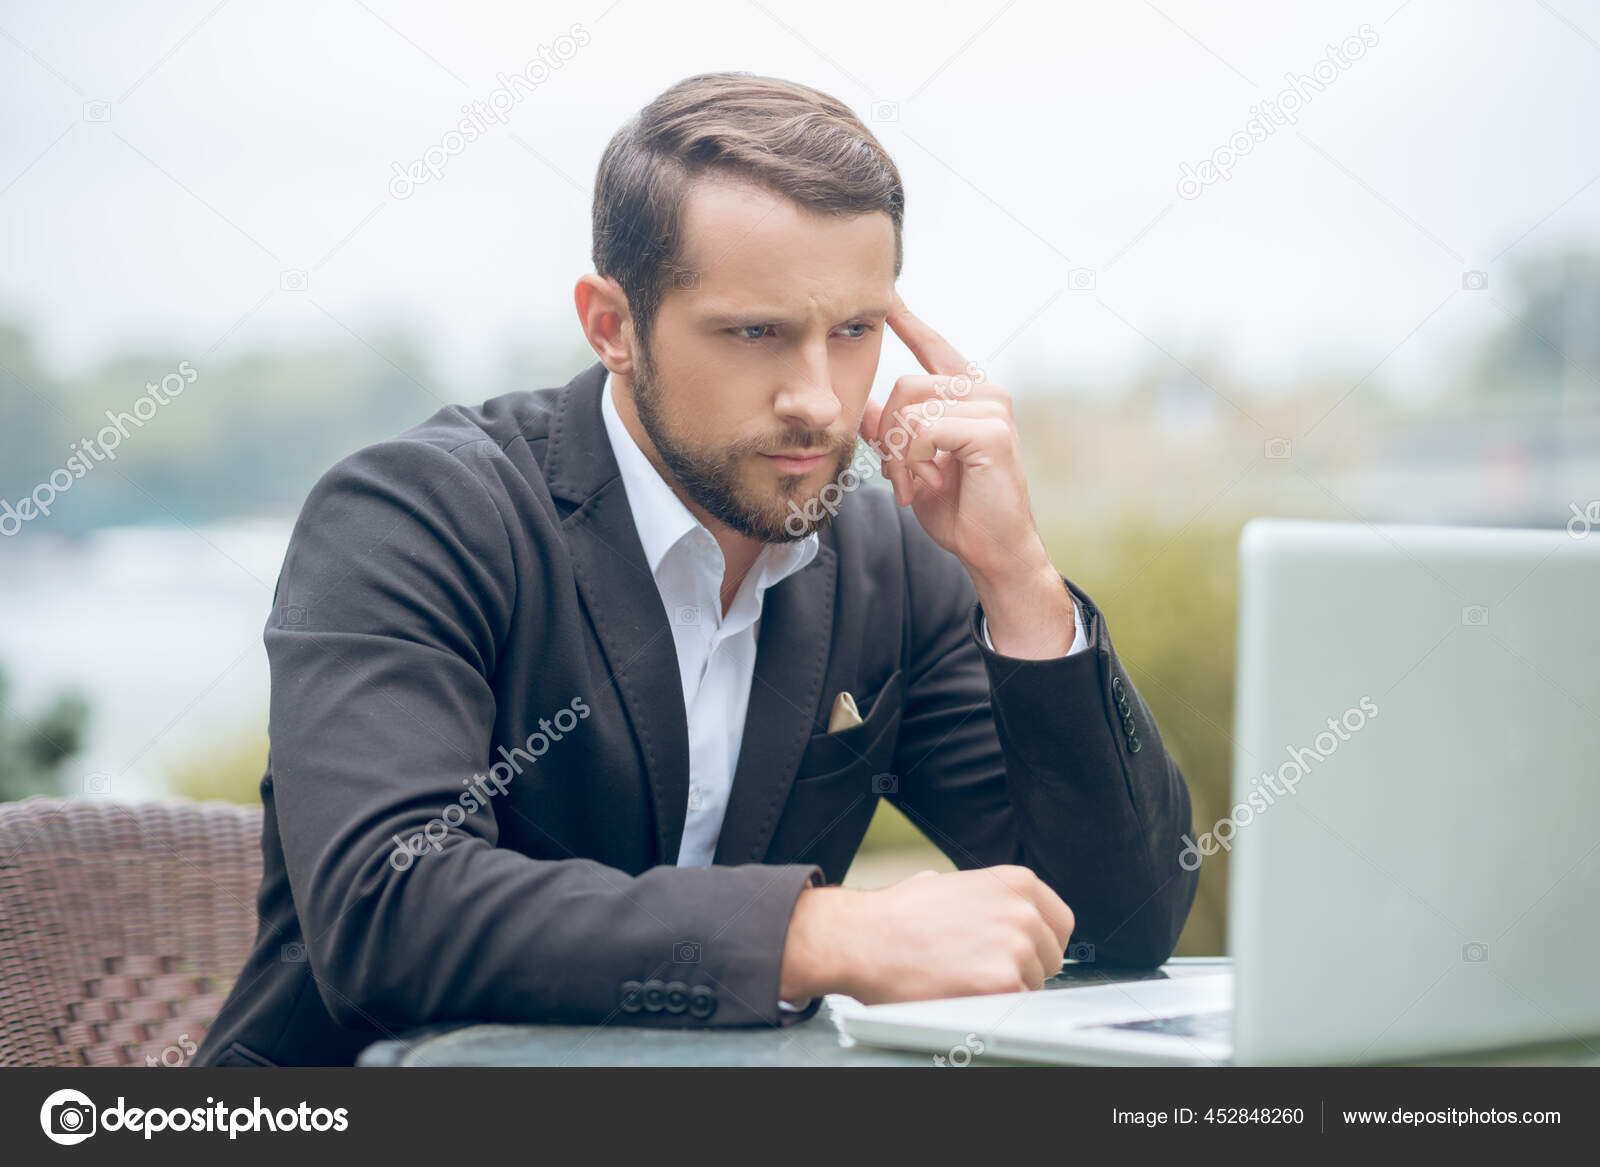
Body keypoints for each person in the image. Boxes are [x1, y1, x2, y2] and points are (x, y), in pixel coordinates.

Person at [193, 71, 1196, 1068]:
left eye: (853, 331)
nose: (817, 400)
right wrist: (818, 934)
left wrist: (1016, 574)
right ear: (611, 326)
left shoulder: (889, 561)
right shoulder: (415, 514)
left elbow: (1120, 923)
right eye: (755, 332)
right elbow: (386, 907)